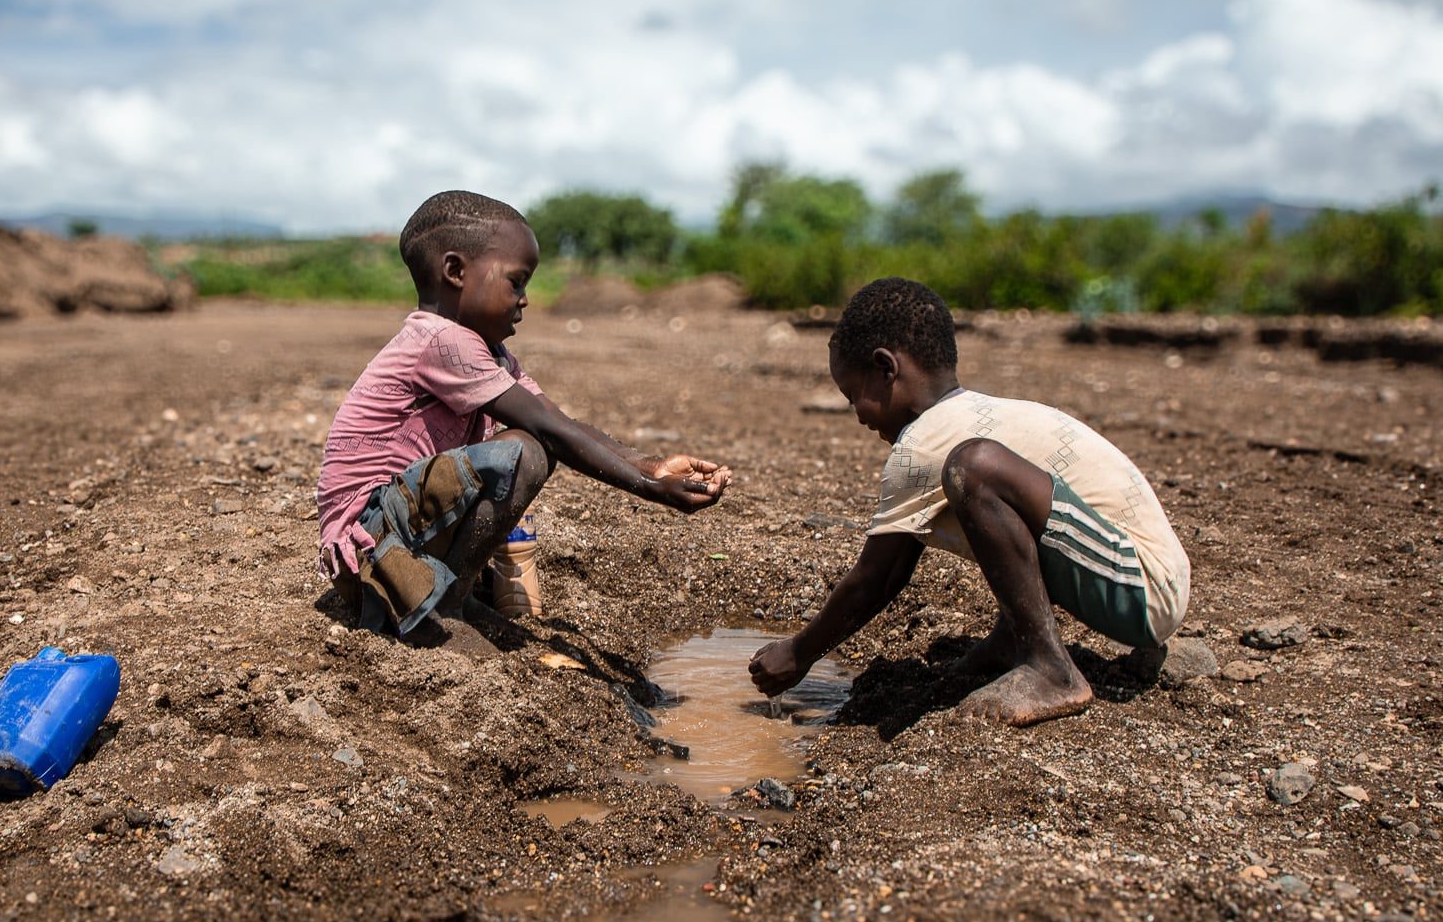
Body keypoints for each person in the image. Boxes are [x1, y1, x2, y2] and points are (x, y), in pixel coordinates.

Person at [749, 277, 1190, 726]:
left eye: (852, 396)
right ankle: (1015, 640)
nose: (857, 415)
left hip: (1141, 589)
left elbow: (876, 579)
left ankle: (1051, 670)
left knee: (974, 469)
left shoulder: (925, 445)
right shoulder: (968, 415)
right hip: (1144, 574)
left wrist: (799, 652)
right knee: (978, 480)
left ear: (886, 370)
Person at [316, 190, 732, 648]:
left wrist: (651, 466)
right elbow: (548, 432)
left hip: (388, 537)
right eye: (516, 282)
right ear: (455, 272)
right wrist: (652, 490)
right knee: (525, 452)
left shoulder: (486, 352)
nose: (526, 299)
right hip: (370, 550)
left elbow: (556, 418)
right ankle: (447, 602)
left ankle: (451, 594)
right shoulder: (439, 342)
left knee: (528, 441)